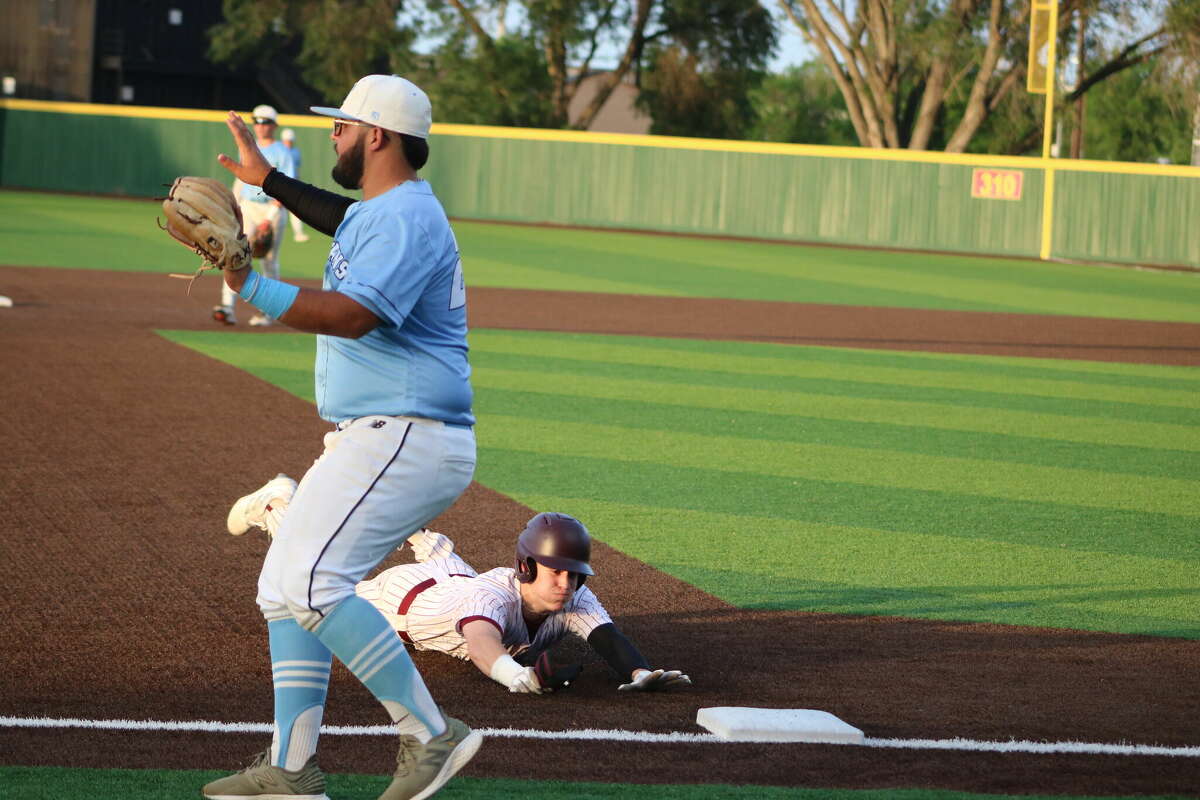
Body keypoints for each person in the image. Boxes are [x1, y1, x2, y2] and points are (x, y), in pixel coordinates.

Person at [201, 75, 479, 800]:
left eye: (343, 126)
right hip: (380, 431)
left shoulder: (410, 219)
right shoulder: (383, 211)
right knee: (280, 587)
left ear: (377, 135)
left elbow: (356, 314)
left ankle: (431, 734)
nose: (333, 134)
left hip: (410, 432)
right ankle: (291, 771)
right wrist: (269, 180)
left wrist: (246, 280)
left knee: (314, 582)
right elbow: (343, 217)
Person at [227, 478, 692, 695]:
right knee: (306, 588)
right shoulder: (490, 597)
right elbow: (481, 643)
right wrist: (514, 674)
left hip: (455, 576)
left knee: (437, 552)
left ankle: (411, 526)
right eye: (556, 572)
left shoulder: (571, 592)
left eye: (574, 574)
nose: (567, 584)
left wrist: (640, 672)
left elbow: (607, 638)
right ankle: (277, 505)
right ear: (527, 567)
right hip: (405, 601)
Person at [212, 104, 296, 327]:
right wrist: (233, 206)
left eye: (265, 122)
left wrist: (269, 217)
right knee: (235, 255)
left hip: (272, 210)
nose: (261, 126)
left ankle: (269, 311)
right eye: (257, 122)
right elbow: (241, 179)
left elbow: (287, 188)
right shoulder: (247, 149)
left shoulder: (282, 152)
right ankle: (227, 307)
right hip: (248, 207)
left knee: (269, 261)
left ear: (274, 126)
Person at [279, 128, 311, 243]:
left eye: (290, 140)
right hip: (279, 184)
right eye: (287, 140)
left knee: (294, 210)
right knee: (275, 208)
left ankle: (298, 233)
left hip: (292, 186)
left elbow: (296, 170)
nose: (289, 142)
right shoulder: (279, 150)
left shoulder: (295, 152)